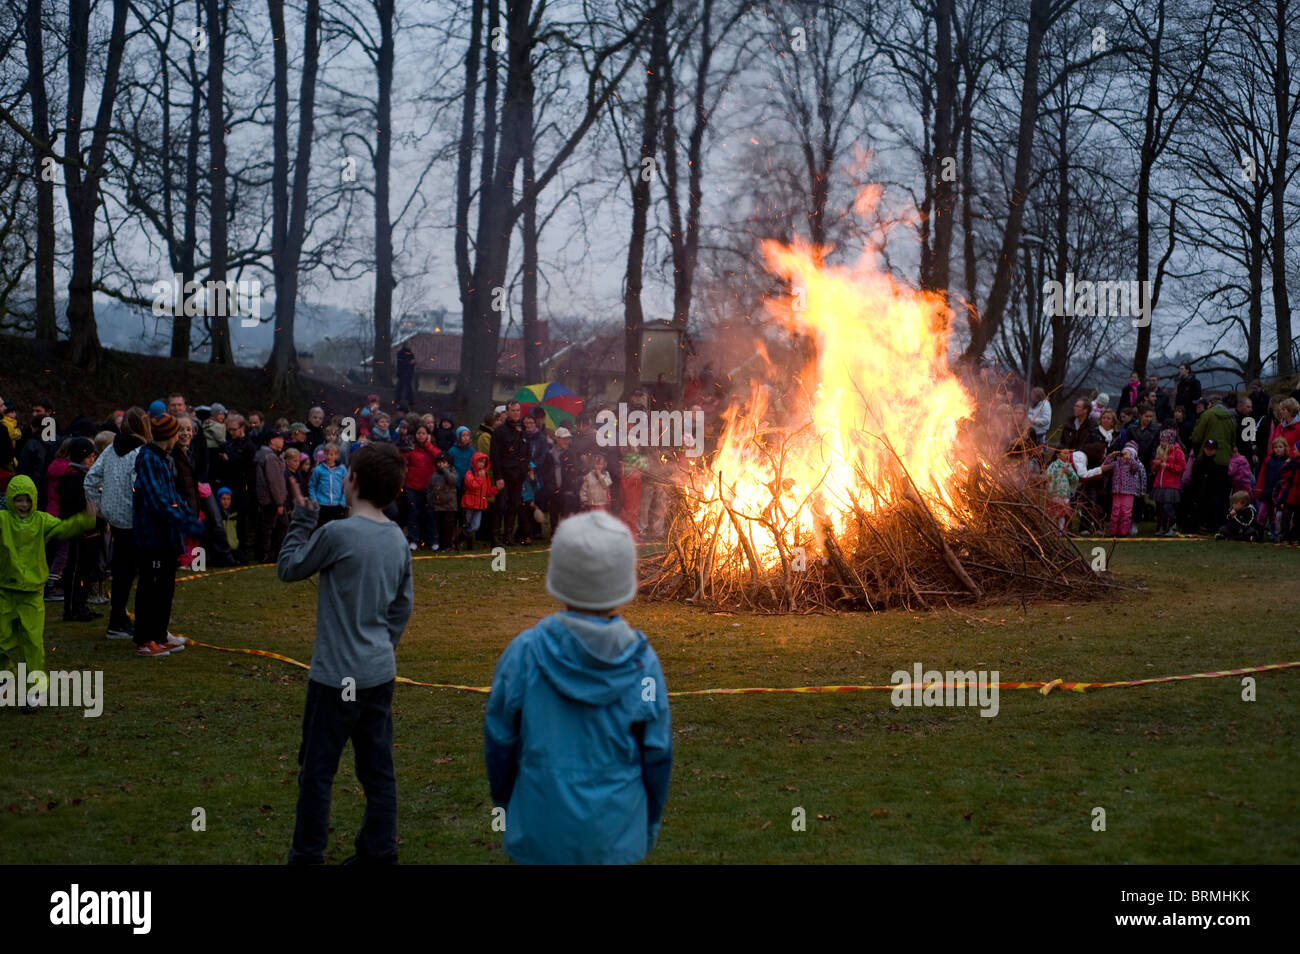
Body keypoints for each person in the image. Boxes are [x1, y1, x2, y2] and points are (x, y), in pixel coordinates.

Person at [484, 510, 671, 864]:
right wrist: (647, 824)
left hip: (540, 833)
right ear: (624, 583)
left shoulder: (523, 654)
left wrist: (510, 805)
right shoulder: (642, 664)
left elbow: (500, 744)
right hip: (615, 837)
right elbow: (657, 754)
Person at [277, 441, 414, 865]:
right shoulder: (397, 539)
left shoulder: (337, 534)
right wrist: (380, 647)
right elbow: (402, 606)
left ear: (352, 481)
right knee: (377, 771)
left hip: (336, 678)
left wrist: (302, 519)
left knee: (317, 772)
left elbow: (289, 567)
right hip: (377, 674)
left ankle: (307, 856)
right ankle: (379, 852)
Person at [0, 475, 96, 709]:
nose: (23, 506)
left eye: (27, 501)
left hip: (32, 594)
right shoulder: (3, 520)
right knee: (1, 639)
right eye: (18, 501)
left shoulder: (41, 521)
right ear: (10, 501)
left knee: (33, 643)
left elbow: (64, 528)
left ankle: (37, 688)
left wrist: (86, 519)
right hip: (5, 592)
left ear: (34, 500)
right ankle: (5, 677)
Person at [133, 413, 203, 658]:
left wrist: (187, 518)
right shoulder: (150, 459)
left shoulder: (162, 458)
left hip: (166, 536)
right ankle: (144, 639)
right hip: (153, 536)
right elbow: (158, 500)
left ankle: (159, 634)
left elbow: (171, 496)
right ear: (169, 435)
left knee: (165, 586)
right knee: (150, 587)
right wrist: (182, 520)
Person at [84, 407, 150, 640]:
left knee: (122, 569)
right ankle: (117, 622)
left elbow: (90, 479)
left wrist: (98, 507)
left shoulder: (112, 448)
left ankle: (118, 618)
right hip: (133, 519)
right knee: (128, 573)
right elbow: (139, 486)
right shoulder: (141, 452)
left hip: (115, 516)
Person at [55, 438, 101, 621]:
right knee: (76, 571)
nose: (93, 459)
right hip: (80, 532)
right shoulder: (73, 477)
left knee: (86, 570)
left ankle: (81, 605)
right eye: (90, 456)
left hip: (90, 531)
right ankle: (73, 608)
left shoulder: (86, 476)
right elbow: (75, 506)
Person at [491, 401, 531, 546]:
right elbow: (495, 456)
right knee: (500, 506)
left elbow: (527, 453)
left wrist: (524, 469)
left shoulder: (523, 431)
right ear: (507, 412)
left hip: (518, 475)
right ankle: (495, 537)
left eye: (518, 410)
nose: (516, 413)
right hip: (504, 474)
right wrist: (498, 477)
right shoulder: (499, 432)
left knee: (514, 505)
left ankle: (508, 536)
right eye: (513, 410)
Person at [255, 431, 289, 561]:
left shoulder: (271, 456)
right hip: (271, 500)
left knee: (270, 527)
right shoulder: (270, 457)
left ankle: (268, 553)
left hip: (269, 499)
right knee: (273, 528)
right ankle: (268, 554)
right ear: (271, 440)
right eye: (279, 438)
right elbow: (275, 481)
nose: (282, 441)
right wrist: (279, 502)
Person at [1151, 429, 1186, 536]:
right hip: (1160, 484)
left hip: (1171, 484)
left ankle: (1172, 526)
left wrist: (1168, 466)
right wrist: (1156, 464)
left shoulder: (1178, 452)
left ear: (1170, 441)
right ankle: (1162, 527)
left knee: (1168, 506)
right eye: (1161, 440)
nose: (1162, 443)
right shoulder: (1160, 451)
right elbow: (1154, 468)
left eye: (1165, 441)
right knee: (1160, 507)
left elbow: (1182, 467)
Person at [1108, 442, 1147, 537]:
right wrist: (1111, 456)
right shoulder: (1117, 464)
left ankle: (1123, 532)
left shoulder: (1133, 465)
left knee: (1126, 512)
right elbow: (1107, 464)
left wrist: (1129, 458)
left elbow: (1136, 467)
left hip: (1129, 493)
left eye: (1128, 453)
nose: (1123, 456)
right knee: (1115, 512)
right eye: (1123, 453)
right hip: (1117, 491)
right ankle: (1113, 531)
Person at [1255, 437, 1290, 541]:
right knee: (1262, 514)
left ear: (1285, 448)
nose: (1278, 449)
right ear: (1273, 449)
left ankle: (1274, 535)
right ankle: (1259, 534)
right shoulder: (1268, 460)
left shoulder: (1287, 462)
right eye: (1276, 447)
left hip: (1278, 495)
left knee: (1274, 517)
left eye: (1280, 447)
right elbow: (1262, 476)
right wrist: (1259, 490)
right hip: (1267, 492)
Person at [460, 451, 497, 550]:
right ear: (474, 462)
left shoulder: (486, 475)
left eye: (483, 462)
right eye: (479, 461)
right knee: (466, 524)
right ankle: (466, 543)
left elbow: (487, 491)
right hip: (469, 504)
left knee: (475, 526)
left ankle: (459, 539)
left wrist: (496, 488)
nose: (481, 464)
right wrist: (480, 478)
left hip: (479, 505)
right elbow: (472, 485)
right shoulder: (470, 473)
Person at [309, 443, 348, 528]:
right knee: (322, 528)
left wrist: (343, 502)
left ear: (336, 456)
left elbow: (346, 487)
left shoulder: (342, 469)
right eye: (326, 454)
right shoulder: (318, 470)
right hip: (322, 504)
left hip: (338, 505)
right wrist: (314, 500)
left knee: (337, 529)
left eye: (331, 454)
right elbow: (312, 485)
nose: (329, 457)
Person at [427, 455, 460, 551]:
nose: (441, 464)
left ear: (449, 463)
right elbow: (430, 488)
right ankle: (441, 545)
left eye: (444, 462)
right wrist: (431, 498)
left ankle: (448, 545)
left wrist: (445, 470)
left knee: (448, 527)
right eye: (439, 462)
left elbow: (453, 481)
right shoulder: (435, 475)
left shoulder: (453, 472)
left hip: (450, 506)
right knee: (439, 526)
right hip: (438, 505)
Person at [1044, 445, 1080, 531]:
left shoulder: (1068, 466)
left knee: (1064, 513)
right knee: (1055, 513)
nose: (1067, 455)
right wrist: (1051, 492)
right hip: (1055, 494)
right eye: (1065, 453)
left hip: (1065, 494)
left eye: (1068, 453)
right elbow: (1047, 477)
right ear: (1058, 455)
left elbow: (1076, 479)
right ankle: (1054, 531)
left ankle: (1062, 531)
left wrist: (1069, 473)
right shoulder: (1054, 465)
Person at [395, 342, 417, 407]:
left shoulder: (411, 354)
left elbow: (412, 362)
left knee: (409, 388)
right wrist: (409, 363)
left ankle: (410, 402)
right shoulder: (400, 353)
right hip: (402, 374)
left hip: (409, 375)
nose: (410, 346)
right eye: (408, 345)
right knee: (399, 388)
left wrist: (413, 363)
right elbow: (401, 363)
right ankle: (397, 402)